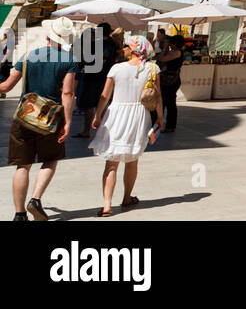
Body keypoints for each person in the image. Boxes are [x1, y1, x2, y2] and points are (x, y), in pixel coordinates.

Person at [0, 17, 79, 221]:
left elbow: (6, 86)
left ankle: (19, 214)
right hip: (51, 119)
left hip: (25, 117)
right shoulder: (69, 61)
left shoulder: (28, 56)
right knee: (50, 160)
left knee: (22, 165)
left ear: (47, 35)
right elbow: (68, 93)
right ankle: (35, 199)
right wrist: (68, 122)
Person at [89, 34, 157, 217]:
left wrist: (97, 115)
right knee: (132, 160)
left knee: (111, 163)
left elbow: (105, 95)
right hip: (139, 116)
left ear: (135, 49)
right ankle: (127, 198)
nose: (123, 48)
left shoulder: (116, 68)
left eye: (127, 45)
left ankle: (106, 205)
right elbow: (157, 95)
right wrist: (160, 117)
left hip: (116, 116)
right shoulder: (152, 68)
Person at [74, 23, 115, 138]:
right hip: (106, 77)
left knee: (89, 105)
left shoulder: (94, 44)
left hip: (91, 76)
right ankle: (101, 131)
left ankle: (86, 130)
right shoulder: (113, 44)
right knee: (102, 104)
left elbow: (84, 58)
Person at [155, 35, 183, 133]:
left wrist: (166, 46)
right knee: (165, 102)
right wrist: (166, 47)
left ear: (175, 43)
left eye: (171, 41)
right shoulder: (173, 52)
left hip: (171, 81)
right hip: (167, 80)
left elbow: (162, 59)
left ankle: (170, 126)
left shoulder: (177, 52)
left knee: (170, 103)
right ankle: (162, 124)